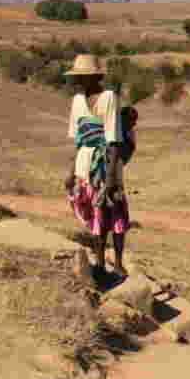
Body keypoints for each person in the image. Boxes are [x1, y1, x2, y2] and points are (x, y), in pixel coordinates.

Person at [63, 54, 131, 278]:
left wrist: (110, 180)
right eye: (78, 77)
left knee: (115, 211)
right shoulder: (77, 101)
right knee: (96, 217)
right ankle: (101, 262)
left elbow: (113, 139)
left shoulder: (109, 97)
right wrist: (71, 173)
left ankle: (118, 263)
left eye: (84, 76)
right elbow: (78, 141)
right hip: (85, 165)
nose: (80, 81)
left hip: (108, 164)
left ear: (95, 76)